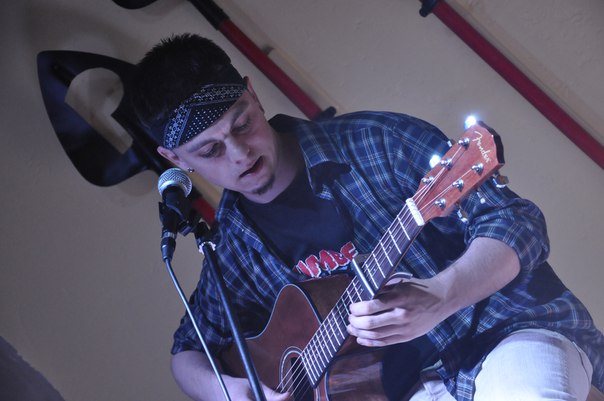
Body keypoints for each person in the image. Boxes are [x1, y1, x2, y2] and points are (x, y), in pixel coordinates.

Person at [129, 33, 604, 401]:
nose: (239, 153)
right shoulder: (232, 245)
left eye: (242, 124)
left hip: (499, 337)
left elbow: (514, 221)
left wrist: (442, 295)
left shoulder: (376, 140)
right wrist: (230, 391)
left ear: (253, 94)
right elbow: (187, 351)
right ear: (176, 160)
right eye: (210, 151)